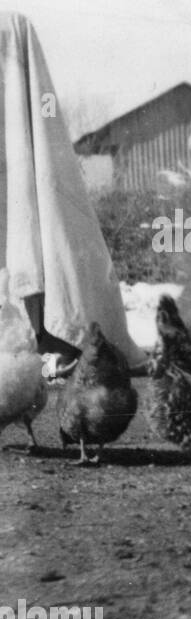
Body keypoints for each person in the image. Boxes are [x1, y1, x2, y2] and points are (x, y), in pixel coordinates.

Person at [0, 12, 145, 374]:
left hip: (20, 163)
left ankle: (44, 334)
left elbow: (43, 107)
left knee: (39, 232)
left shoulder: (13, 28)